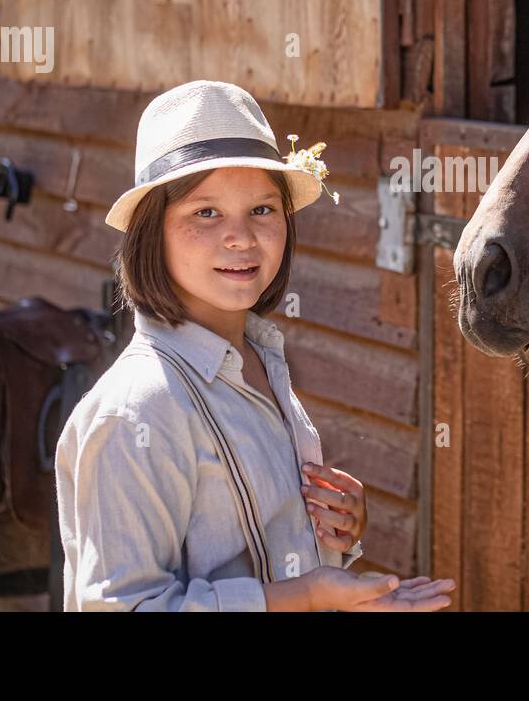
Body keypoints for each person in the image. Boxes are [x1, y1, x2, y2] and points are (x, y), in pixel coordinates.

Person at [55, 80, 455, 611]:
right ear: (153, 232)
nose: (241, 237)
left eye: (263, 210)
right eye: (206, 213)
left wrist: (332, 536)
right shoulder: (137, 411)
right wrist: (309, 595)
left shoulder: (256, 363)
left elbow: (259, 548)